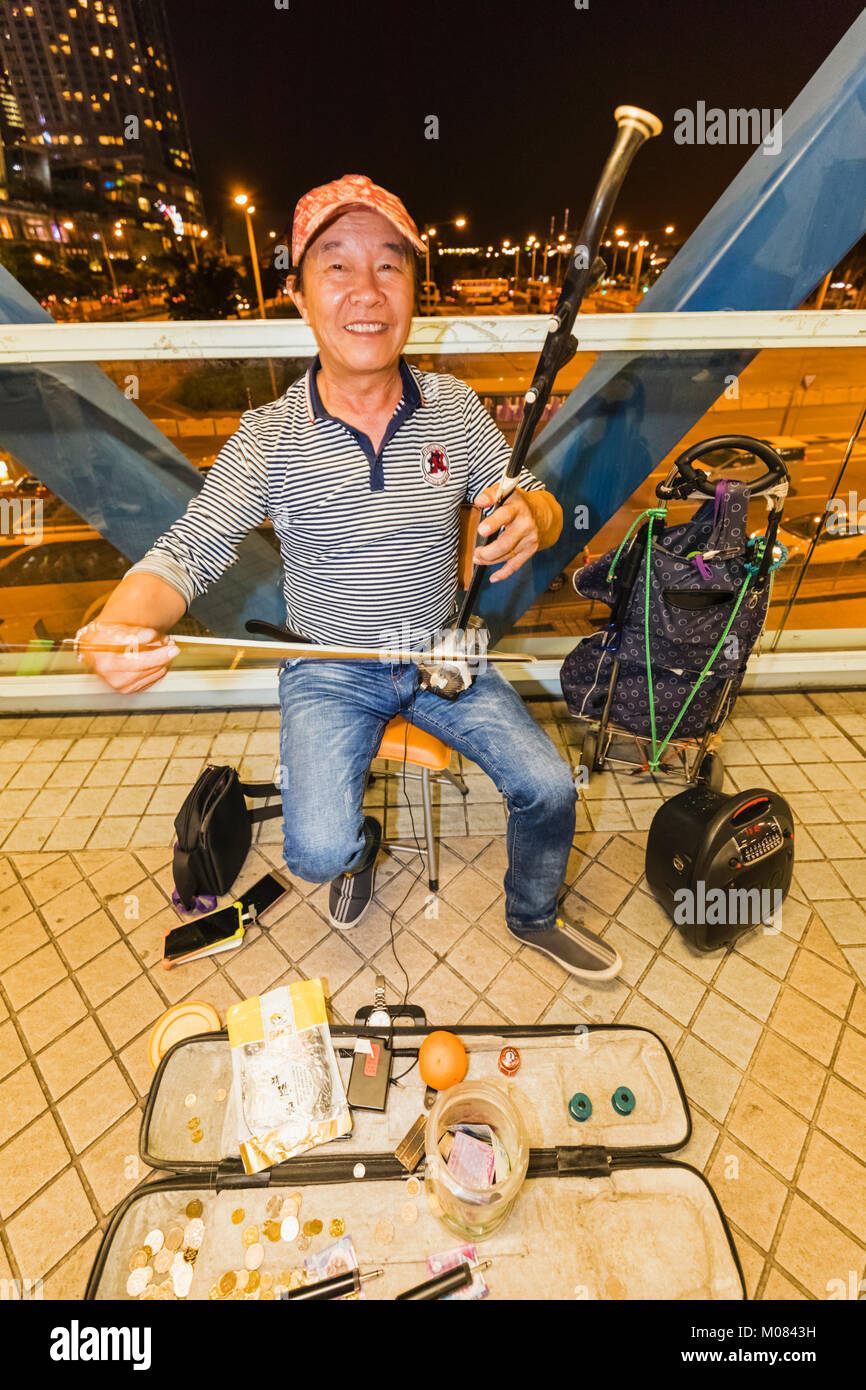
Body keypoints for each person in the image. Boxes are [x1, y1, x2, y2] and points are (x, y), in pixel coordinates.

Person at [79, 174, 621, 982]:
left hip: (444, 655)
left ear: (413, 292)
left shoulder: (455, 409)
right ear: (299, 297)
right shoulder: (268, 436)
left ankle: (534, 911)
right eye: (337, 267)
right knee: (315, 851)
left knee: (549, 784)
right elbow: (190, 547)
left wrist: (533, 521)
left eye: (389, 267)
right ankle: (362, 846)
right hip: (330, 671)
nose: (366, 292)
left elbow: (531, 497)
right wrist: (121, 622)